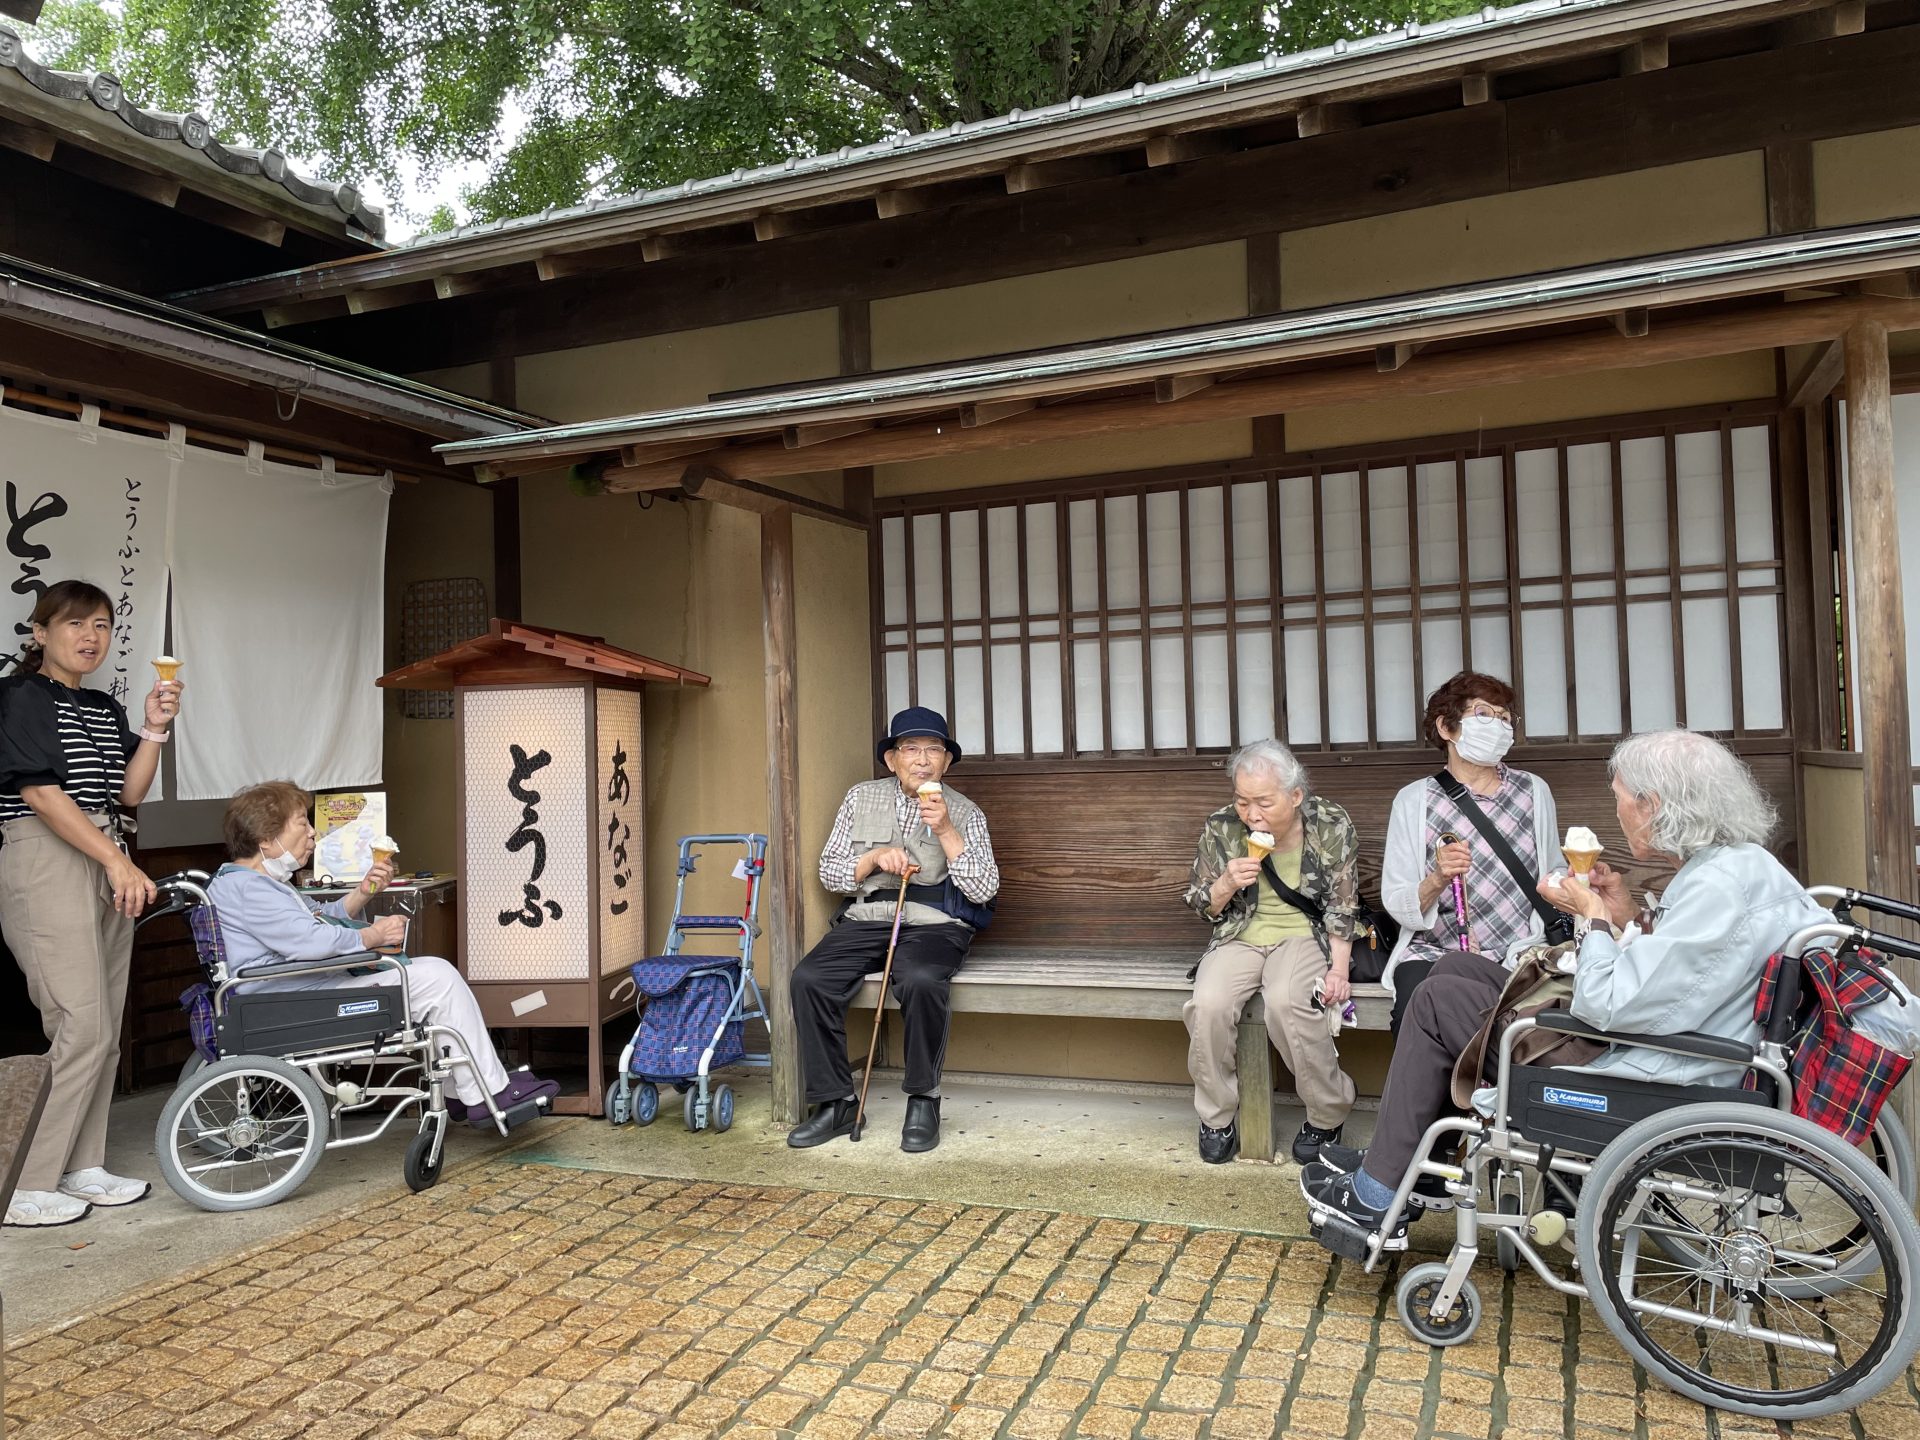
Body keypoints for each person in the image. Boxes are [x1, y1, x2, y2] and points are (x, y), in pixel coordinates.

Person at [1303, 728, 1824, 1236]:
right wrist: (1623, 917)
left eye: (1619, 798)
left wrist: (1593, 916)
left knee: (1437, 999)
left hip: (1633, 1068)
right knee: (1454, 968)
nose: (1616, 811)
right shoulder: (1745, 867)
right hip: (1667, 1040)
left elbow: (1608, 1003)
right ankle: (1418, 1166)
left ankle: (1376, 1191)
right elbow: (1684, 970)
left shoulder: (1714, 886)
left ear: (1653, 804)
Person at [208, 781, 558, 1123]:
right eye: (302, 823)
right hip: (294, 1001)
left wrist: (364, 891)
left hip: (295, 992)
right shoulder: (249, 890)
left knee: (433, 974)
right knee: (438, 980)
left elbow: (320, 919)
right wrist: (372, 936)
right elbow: (312, 941)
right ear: (266, 840)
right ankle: (484, 1093)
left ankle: (465, 1091)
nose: (313, 833)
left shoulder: (254, 884)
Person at [0, 580, 181, 1226]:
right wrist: (114, 860)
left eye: (102, 625)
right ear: (40, 633)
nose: (90, 637)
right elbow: (41, 795)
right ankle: (24, 1183)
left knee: (102, 1031)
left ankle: (82, 1165)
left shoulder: (102, 708)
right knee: (79, 1022)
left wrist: (155, 729)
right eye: (75, 624)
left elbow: (126, 797)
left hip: (108, 855)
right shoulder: (18, 696)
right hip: (50, 857)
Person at [787, 706, 999, 1154]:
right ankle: (836, 1102)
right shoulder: (860, 797)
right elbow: (830, 872)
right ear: (891, 759)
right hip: (869, 916)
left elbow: (982, 889)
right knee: (810, 979)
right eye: (911, 749)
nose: (922, 759)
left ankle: (924, 1098)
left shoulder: (967, 812)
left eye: (933, 750)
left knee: (921, 980)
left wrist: (944, 830)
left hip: (936, 924)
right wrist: (872, 858)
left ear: (946, 762)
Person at [1182, 739, 1361, 1166]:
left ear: (1296, 795)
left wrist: (1339, 970)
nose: (1252, 814)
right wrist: (1226, 883)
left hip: (1304, 935)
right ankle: (1217, 1116)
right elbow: (1200, 903)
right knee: (1208, 1003)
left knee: (1286, 1003)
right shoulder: (1223, 827)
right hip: (1239, 934)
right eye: (1243, 801)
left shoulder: (1330, 823)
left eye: (1263, 801)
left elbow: (1343, 904)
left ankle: (1326, 1112)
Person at [1380, 671, 1560, 1027]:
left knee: (1517, 1030)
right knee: (1413, 1014)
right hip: (1435, 950)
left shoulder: (1534, 791)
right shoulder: (1414, 800)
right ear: (1446, 727)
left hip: (1521, 951)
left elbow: (1553, 875)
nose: (1498, 725)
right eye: (1483, 714)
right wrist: (1437, 878)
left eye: (1505, 717)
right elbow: (1397, 899)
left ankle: (1494, 1086)